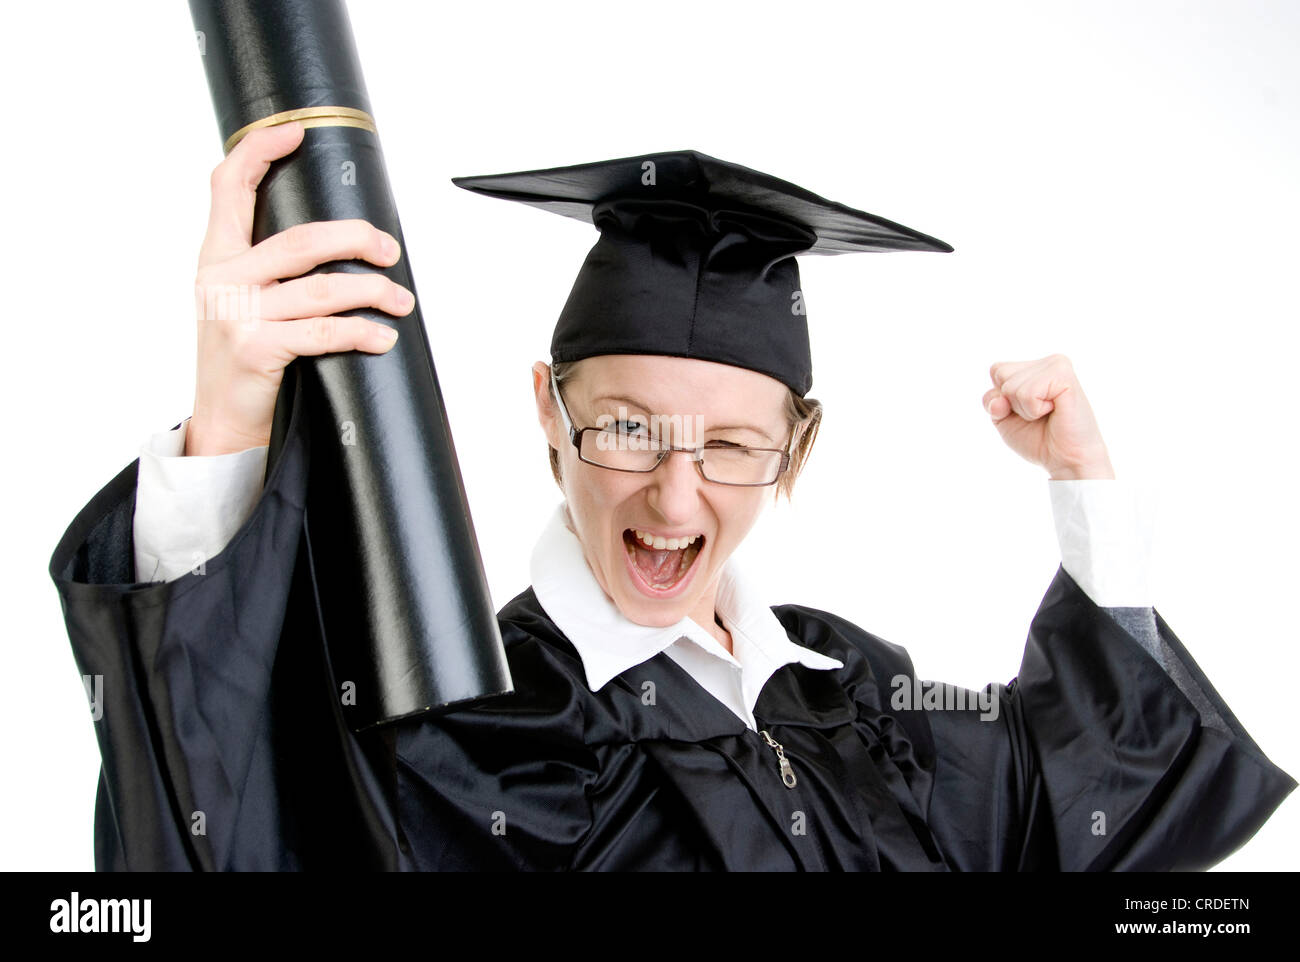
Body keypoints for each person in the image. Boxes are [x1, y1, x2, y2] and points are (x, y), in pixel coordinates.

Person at [50, 122, 1295, 871]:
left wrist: (1085, 482)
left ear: (797, 445)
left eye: (733, 445)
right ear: (549, 408)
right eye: (628, 427)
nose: (676, 491)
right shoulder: (466, 729)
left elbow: (1093, 809)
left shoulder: (856, 690)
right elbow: (225, 824)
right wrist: (230, 420)